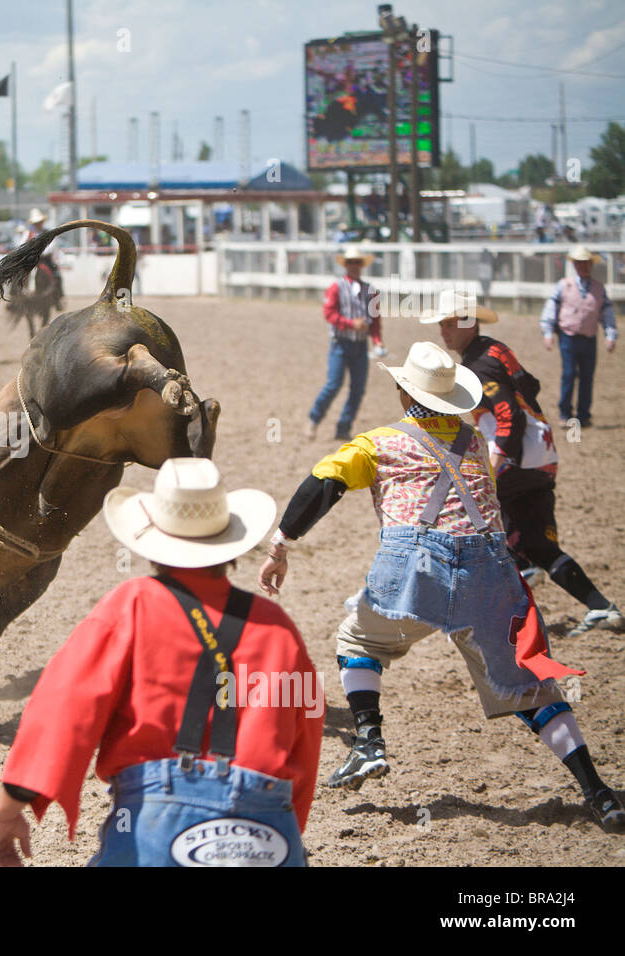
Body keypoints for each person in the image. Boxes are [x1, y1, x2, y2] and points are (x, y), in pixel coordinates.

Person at [259, 340, 624, 832]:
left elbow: (323, 483)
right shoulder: (473, 441)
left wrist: (281, 542)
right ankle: (598, 793)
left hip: (415, 570)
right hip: (490, 573)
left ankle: (368, 742)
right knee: (533, 690)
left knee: (357, 640)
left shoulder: (377, 442)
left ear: (402, 391)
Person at [0, 459, 324, 867]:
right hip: (267, 827)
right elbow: (307, 734)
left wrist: (10, 807)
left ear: (153, 537)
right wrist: (284, 823)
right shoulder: (278, 627)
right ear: (228, 540)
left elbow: (66, 706)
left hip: (157, 821)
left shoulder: (132, 605)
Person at [424, 289, 624, 637]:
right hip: (543, 455)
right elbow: (532, 384)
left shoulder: (477, 365)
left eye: (449, 323)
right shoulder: (496, 348)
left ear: (469, 323)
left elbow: (508, 418)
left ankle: (489, 600)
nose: (444, 332)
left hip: (516, 459)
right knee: (537, 543)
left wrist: (495, 464)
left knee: (465, 523)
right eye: (441, 324)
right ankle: (600, 606)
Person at [305, 246, 384, 441]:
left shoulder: (370, 291)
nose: (354, 266)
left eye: (357, 262)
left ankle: (344, 427)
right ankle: (314, 419)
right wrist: (351, 324)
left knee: (358, 389)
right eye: (351, 262)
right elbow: (329, 314)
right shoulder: (337, 287)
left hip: (359, 346)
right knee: (333, 384)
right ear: (346, 265)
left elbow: (375, 320)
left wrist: (377, 341)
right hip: (340, 343)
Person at [540, 245, 616, 427]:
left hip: (589, 337)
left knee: (587, 376)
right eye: (579, 263)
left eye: (586, 263)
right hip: (568, 336)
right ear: (574, 265)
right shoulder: (564, 285)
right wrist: (548, 332)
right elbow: (552, 308)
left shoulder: (598, 288)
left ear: (591, 264)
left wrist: (610, 334)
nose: (583, 266)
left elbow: (606, 313)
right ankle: (565, 412)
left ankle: (584, 415)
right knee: (568, 374)